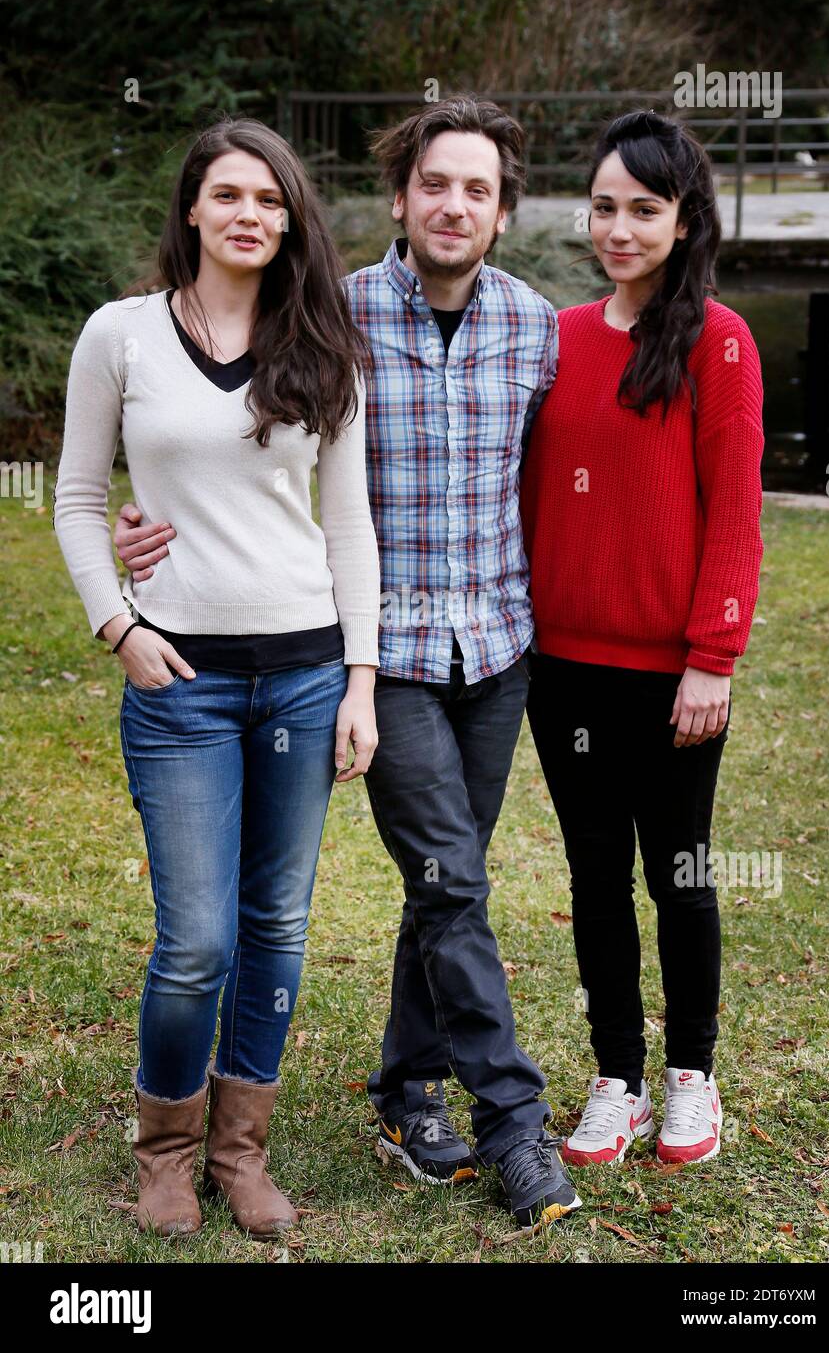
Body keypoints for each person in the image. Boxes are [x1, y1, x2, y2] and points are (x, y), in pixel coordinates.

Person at [114, 95, 581, 1232]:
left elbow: (567, 479)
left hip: (498, 650)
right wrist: (147, 518)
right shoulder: (334, 314)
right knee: (452, 877)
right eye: (434, 183)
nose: (453, 204)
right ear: (398, 198)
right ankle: (510, 1120)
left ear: (504, 211)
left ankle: (404, 1088)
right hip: (381, 651)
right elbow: (234, 440)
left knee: (442, 882)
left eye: (476, 188)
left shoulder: (538, 330)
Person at [54, 117, 380, 1239]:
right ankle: (165, 1150)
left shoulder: (322, 340)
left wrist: (360, 678)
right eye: (230, 194)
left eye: (272, 200)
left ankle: (242, 1152)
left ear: (290, 221)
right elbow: (77, 498)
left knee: (276, 925)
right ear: (192, 207)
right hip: (178, 681)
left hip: (298, 675)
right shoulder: (122, 335)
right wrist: (117, 624)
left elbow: (349, 523)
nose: (251, 214)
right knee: (196, 938)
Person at [520, 109, 764, 1168]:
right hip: (559, 668)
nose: (619, 228)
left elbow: (733, 510)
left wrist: (712, 653)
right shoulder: (556, 336)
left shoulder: (716, 339)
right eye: (606, 207)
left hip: (671, 675)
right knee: (590, 876)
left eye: (643, 210)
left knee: (679, 874)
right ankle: (614, 1074)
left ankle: (688, 1077)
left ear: (680, 218)